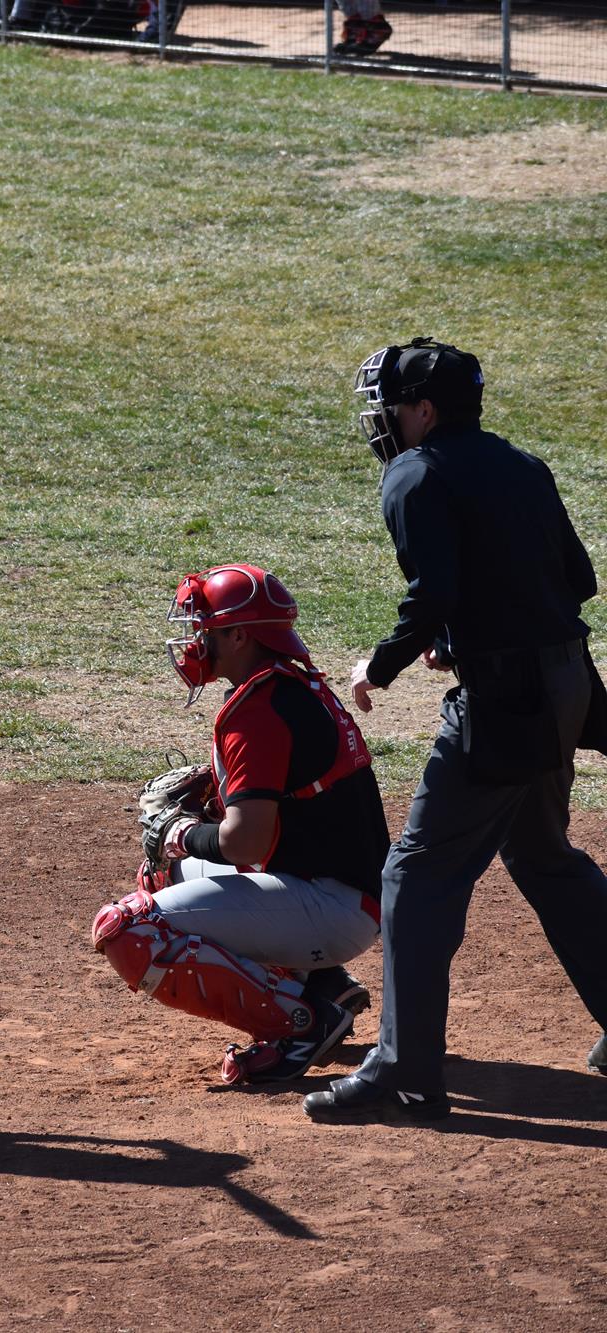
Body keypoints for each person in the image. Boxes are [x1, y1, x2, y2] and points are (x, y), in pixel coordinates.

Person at [305, 339, 607, 1121]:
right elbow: (577, 581)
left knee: (417, 872)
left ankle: (405, 1070)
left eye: (393, 406)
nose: (384, 421)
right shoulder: (523, 464)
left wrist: (385, 661)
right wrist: (468, 631)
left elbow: (434, 587)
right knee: (545, 856)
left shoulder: (414, 473)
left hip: (506, 703)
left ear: (424, 411)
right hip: (569, 683)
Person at [93, 564, 388, 1085]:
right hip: (337, 888)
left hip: (331, 906)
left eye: (204, 628)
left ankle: (300, 1025)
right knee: (160, 875)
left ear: (238, 635)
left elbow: (245, 839)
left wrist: (181, 832)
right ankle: (323, 984)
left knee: (129, 931)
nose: (194, 641)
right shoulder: (291, 686)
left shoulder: (258, 710)